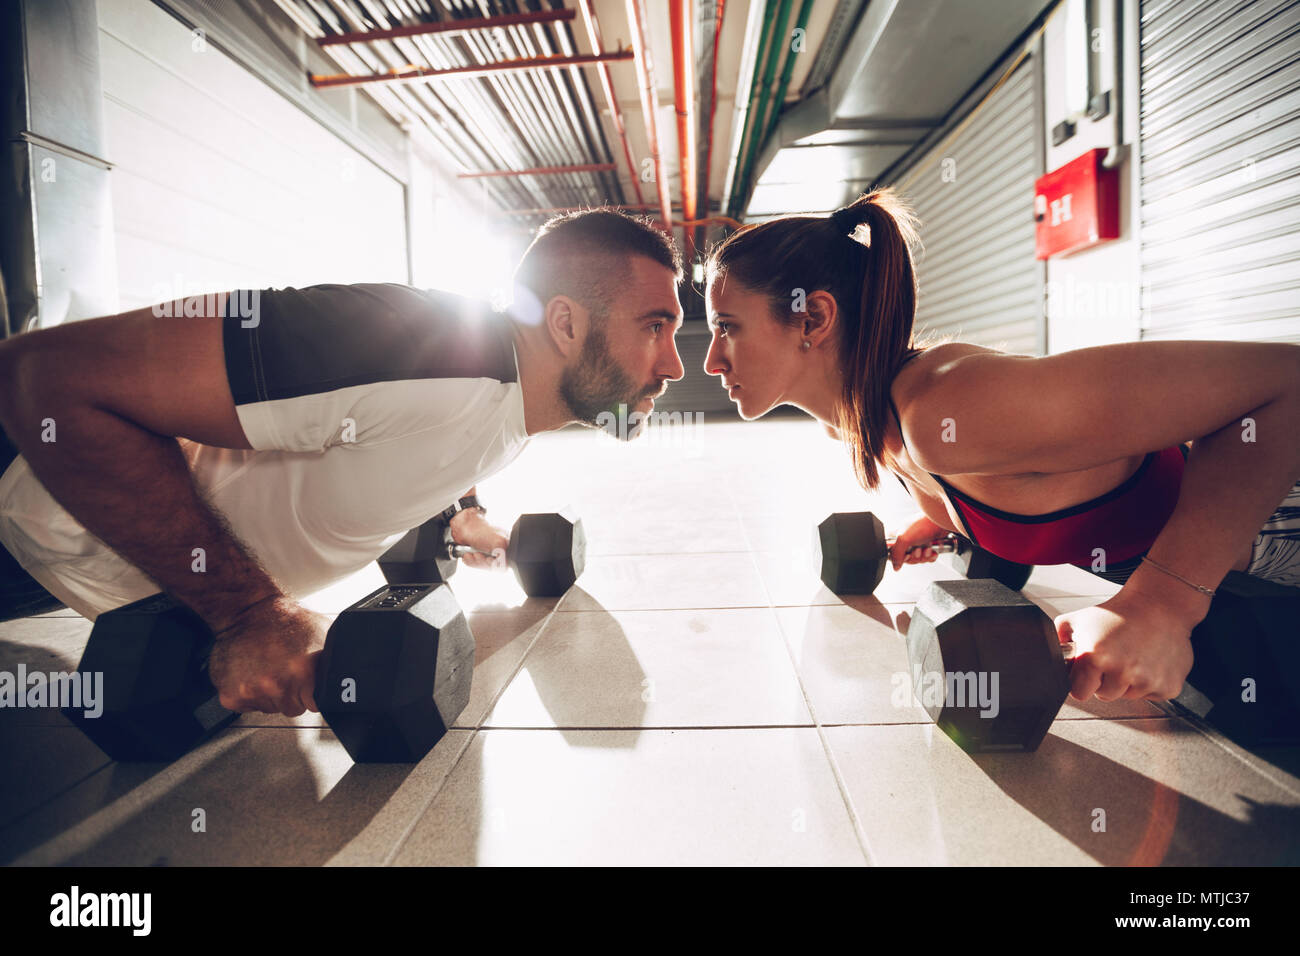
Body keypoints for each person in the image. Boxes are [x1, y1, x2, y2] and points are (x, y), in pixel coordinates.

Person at [0, 209, 685, 716]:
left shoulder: (513, 410)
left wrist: (462, 514)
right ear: (566, 325)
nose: (675, 365)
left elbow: (416, 438)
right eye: (655, 328)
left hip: (71, 570)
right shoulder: (407, 343)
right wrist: (250, 613)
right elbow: (39, 377)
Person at [703, 186, 1300, 705]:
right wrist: (948, 521)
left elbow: (1286, 385)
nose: (712, 359)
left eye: (727, 327)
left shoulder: (947, 411)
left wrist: (1164, 604)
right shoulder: (877, 431)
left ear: (813, 320)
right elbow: (1037, 487)